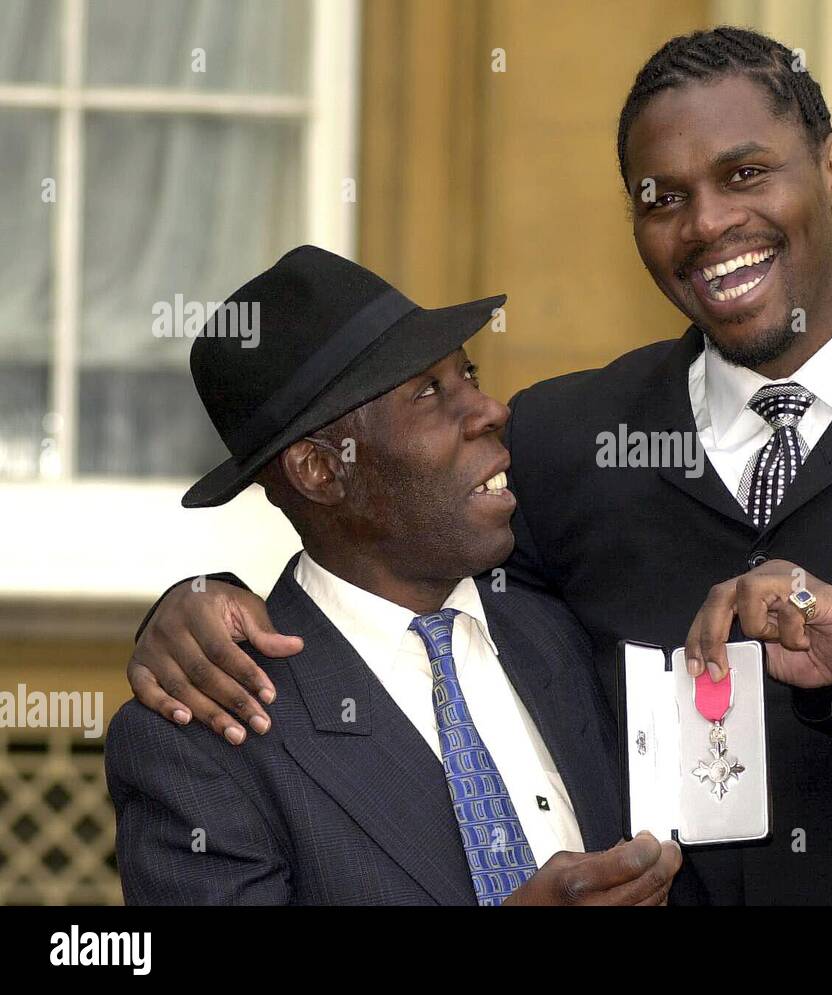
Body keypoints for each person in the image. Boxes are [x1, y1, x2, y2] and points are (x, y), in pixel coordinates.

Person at [124, 27, 832, 904]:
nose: (708, 225)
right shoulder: (563, 439)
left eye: (745, 171)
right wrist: (192, 604)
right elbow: (393, 576)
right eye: (662, 200)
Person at [106, 246, 682, 905]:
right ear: (321, 469)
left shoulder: (557, 631)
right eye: (429, 393)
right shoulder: (201, 747)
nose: (490, 409)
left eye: (467, 373)